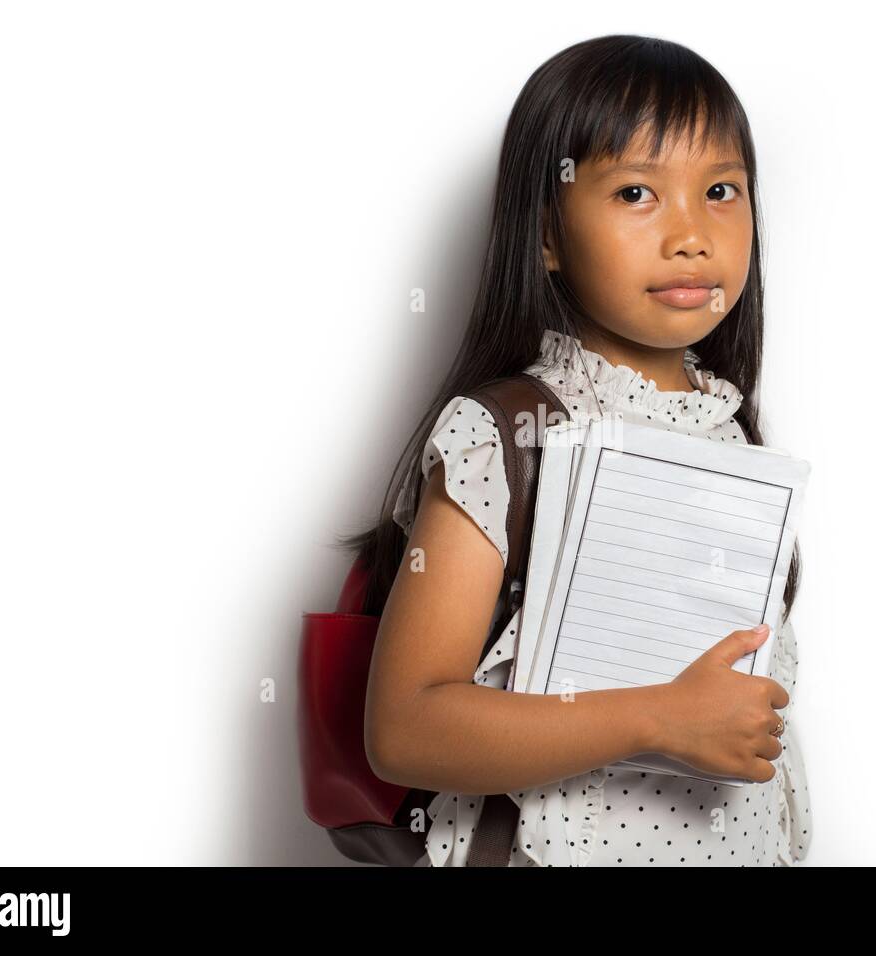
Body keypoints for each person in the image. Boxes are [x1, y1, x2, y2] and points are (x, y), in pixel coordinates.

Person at [346, 34, 811, 866]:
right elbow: (404, 728)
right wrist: (657, 718)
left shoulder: (730, 430)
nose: (692, 234)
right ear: (547, 235)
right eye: (636, 192)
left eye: (720, 190)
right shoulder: (506, 435)